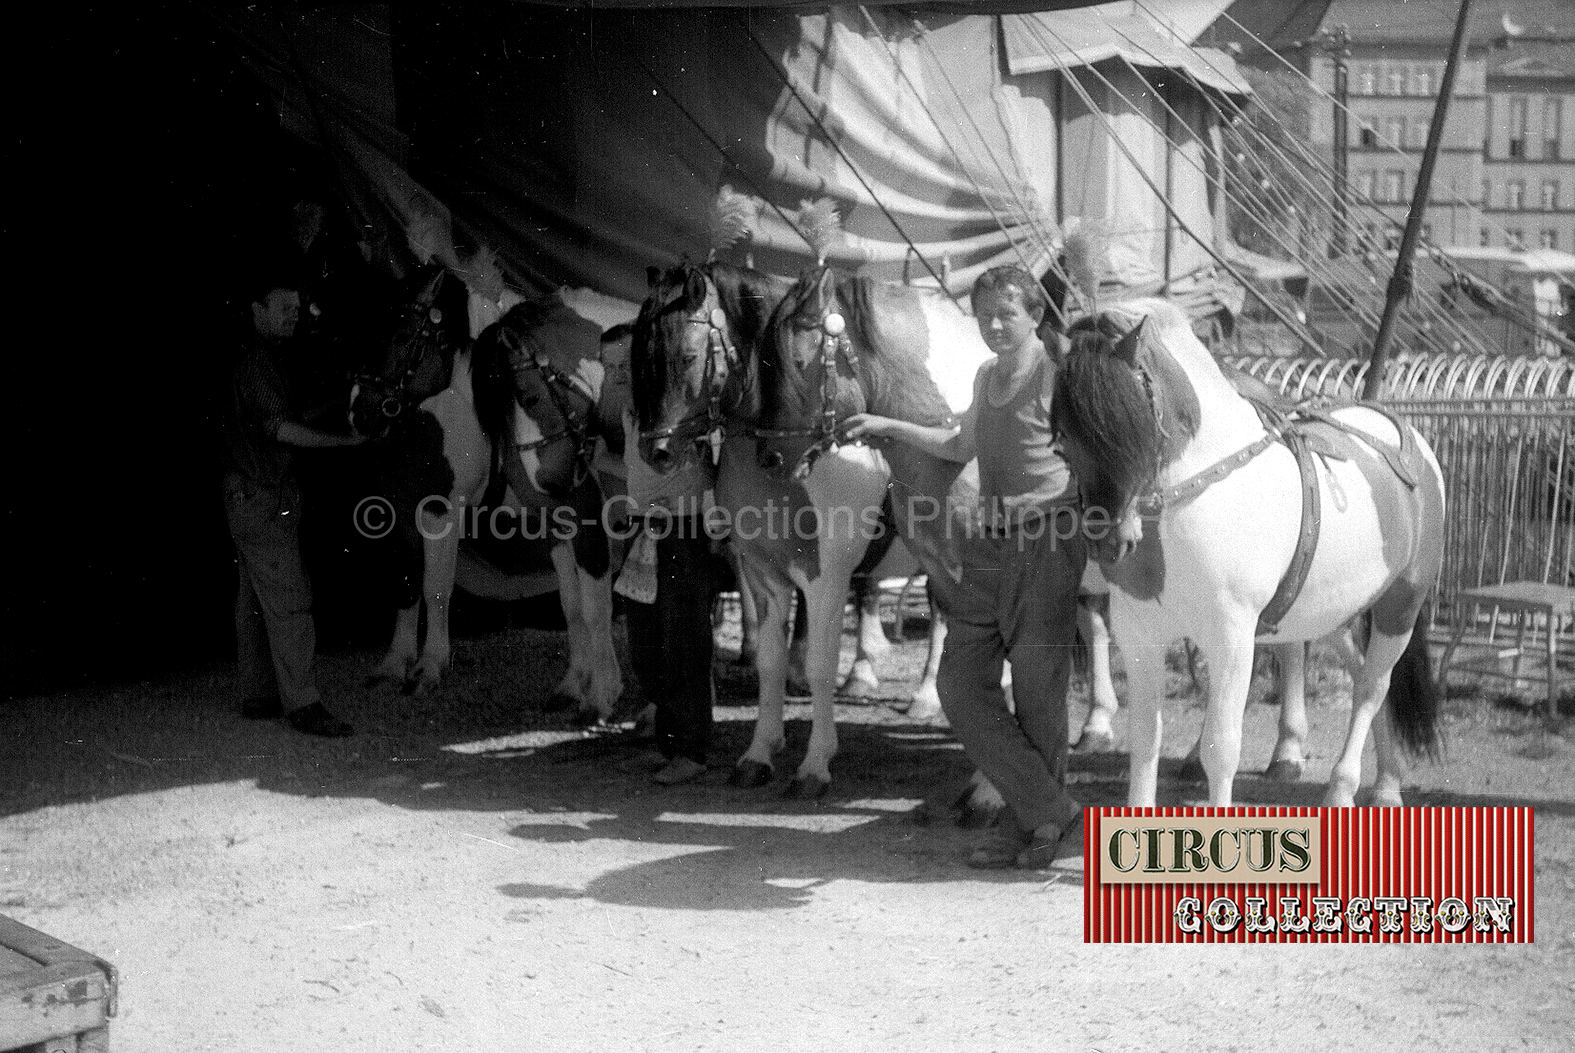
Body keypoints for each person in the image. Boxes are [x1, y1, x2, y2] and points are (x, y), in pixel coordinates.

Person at [840, 265, 1088, 871]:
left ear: (1035, 315)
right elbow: (958, 446)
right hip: (988, 549)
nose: (995, 326)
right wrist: (888, 426)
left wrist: (1050, 504)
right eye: (984, 316)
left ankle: (1029, 828)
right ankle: (1057, 815)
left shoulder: (1060, 377)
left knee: (1036, 695)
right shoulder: (986, 376)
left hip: (1048, 546)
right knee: (957, 685)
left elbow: (1093, 464)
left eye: (1008, 314)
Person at [222, 279, 366, 737]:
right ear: (256, 309)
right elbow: (279, 428)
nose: (293, 315)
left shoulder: (258, 360)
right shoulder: (259, 363)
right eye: (283, 307)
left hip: (247, 494)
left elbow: (283, 417)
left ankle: (259, 695)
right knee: (289, 600)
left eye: (297, 308)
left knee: (254, 601)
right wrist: (343, 442)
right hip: (263, 495)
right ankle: (304, 705)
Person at [605, 327, 723, 786]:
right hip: (643, 532)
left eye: (623, 367)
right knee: (645, 646)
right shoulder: (631, 411)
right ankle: (667, 746)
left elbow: (712, 467)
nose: (616, 376)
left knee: (685, 644)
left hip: (684, 533)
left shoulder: (680, 411)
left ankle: (691, 752)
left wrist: (714, 525)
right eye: (609, 367)